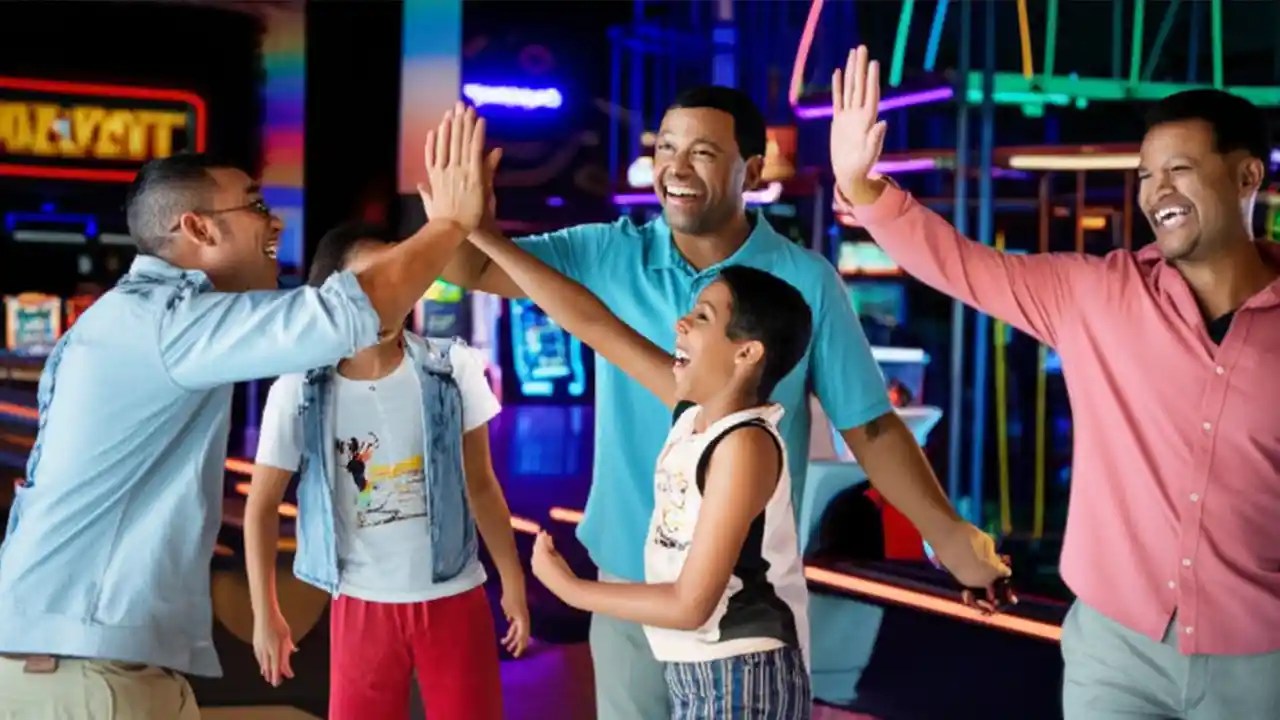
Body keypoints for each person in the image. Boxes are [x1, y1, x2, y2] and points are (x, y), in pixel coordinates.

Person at [438, 85, 1010, 718]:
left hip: (743, 608)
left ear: (753, 171)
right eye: (667, 147)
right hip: (628, 581)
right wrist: (459, 221)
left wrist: (948, 536)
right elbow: (521, 292)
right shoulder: (610, 253)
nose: (676, 168)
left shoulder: (802, 282)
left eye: (703, 152)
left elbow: (871, 427)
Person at [830, 45, 1280, 719]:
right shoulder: (1097, 295)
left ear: (1248, 176)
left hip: (1258, 658)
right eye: (1146, 174)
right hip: (1115, 652)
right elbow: (963, 266)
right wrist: (862, 186)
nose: (1157, 192)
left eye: (1180, 170)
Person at [0, 105, 493, 718]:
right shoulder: (166, 323)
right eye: (255, 206)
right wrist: (448, 224)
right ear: (198, 229)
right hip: (85, 674)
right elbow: (345, 315)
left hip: (82, 664)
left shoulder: (123, 320)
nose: (274, 221)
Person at [468, 222, 814, 717]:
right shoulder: (695, 415)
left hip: (743, 674)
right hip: (707, 668)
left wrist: (570, 589)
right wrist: (483, 236)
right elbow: (592, 324)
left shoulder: (745, 446)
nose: (681, 324)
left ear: (746, 352)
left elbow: (692, 604)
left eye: (702, 317)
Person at [245, 223, 530, 720]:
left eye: (400, 275)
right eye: (369, 282)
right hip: (360, 602)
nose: (388, 293)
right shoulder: (300, 387)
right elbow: (261, 506)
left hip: (454, 596)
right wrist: (265, 613)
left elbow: (482, 484)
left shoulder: (452, 368)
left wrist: (513, 583)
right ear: (332, 295)